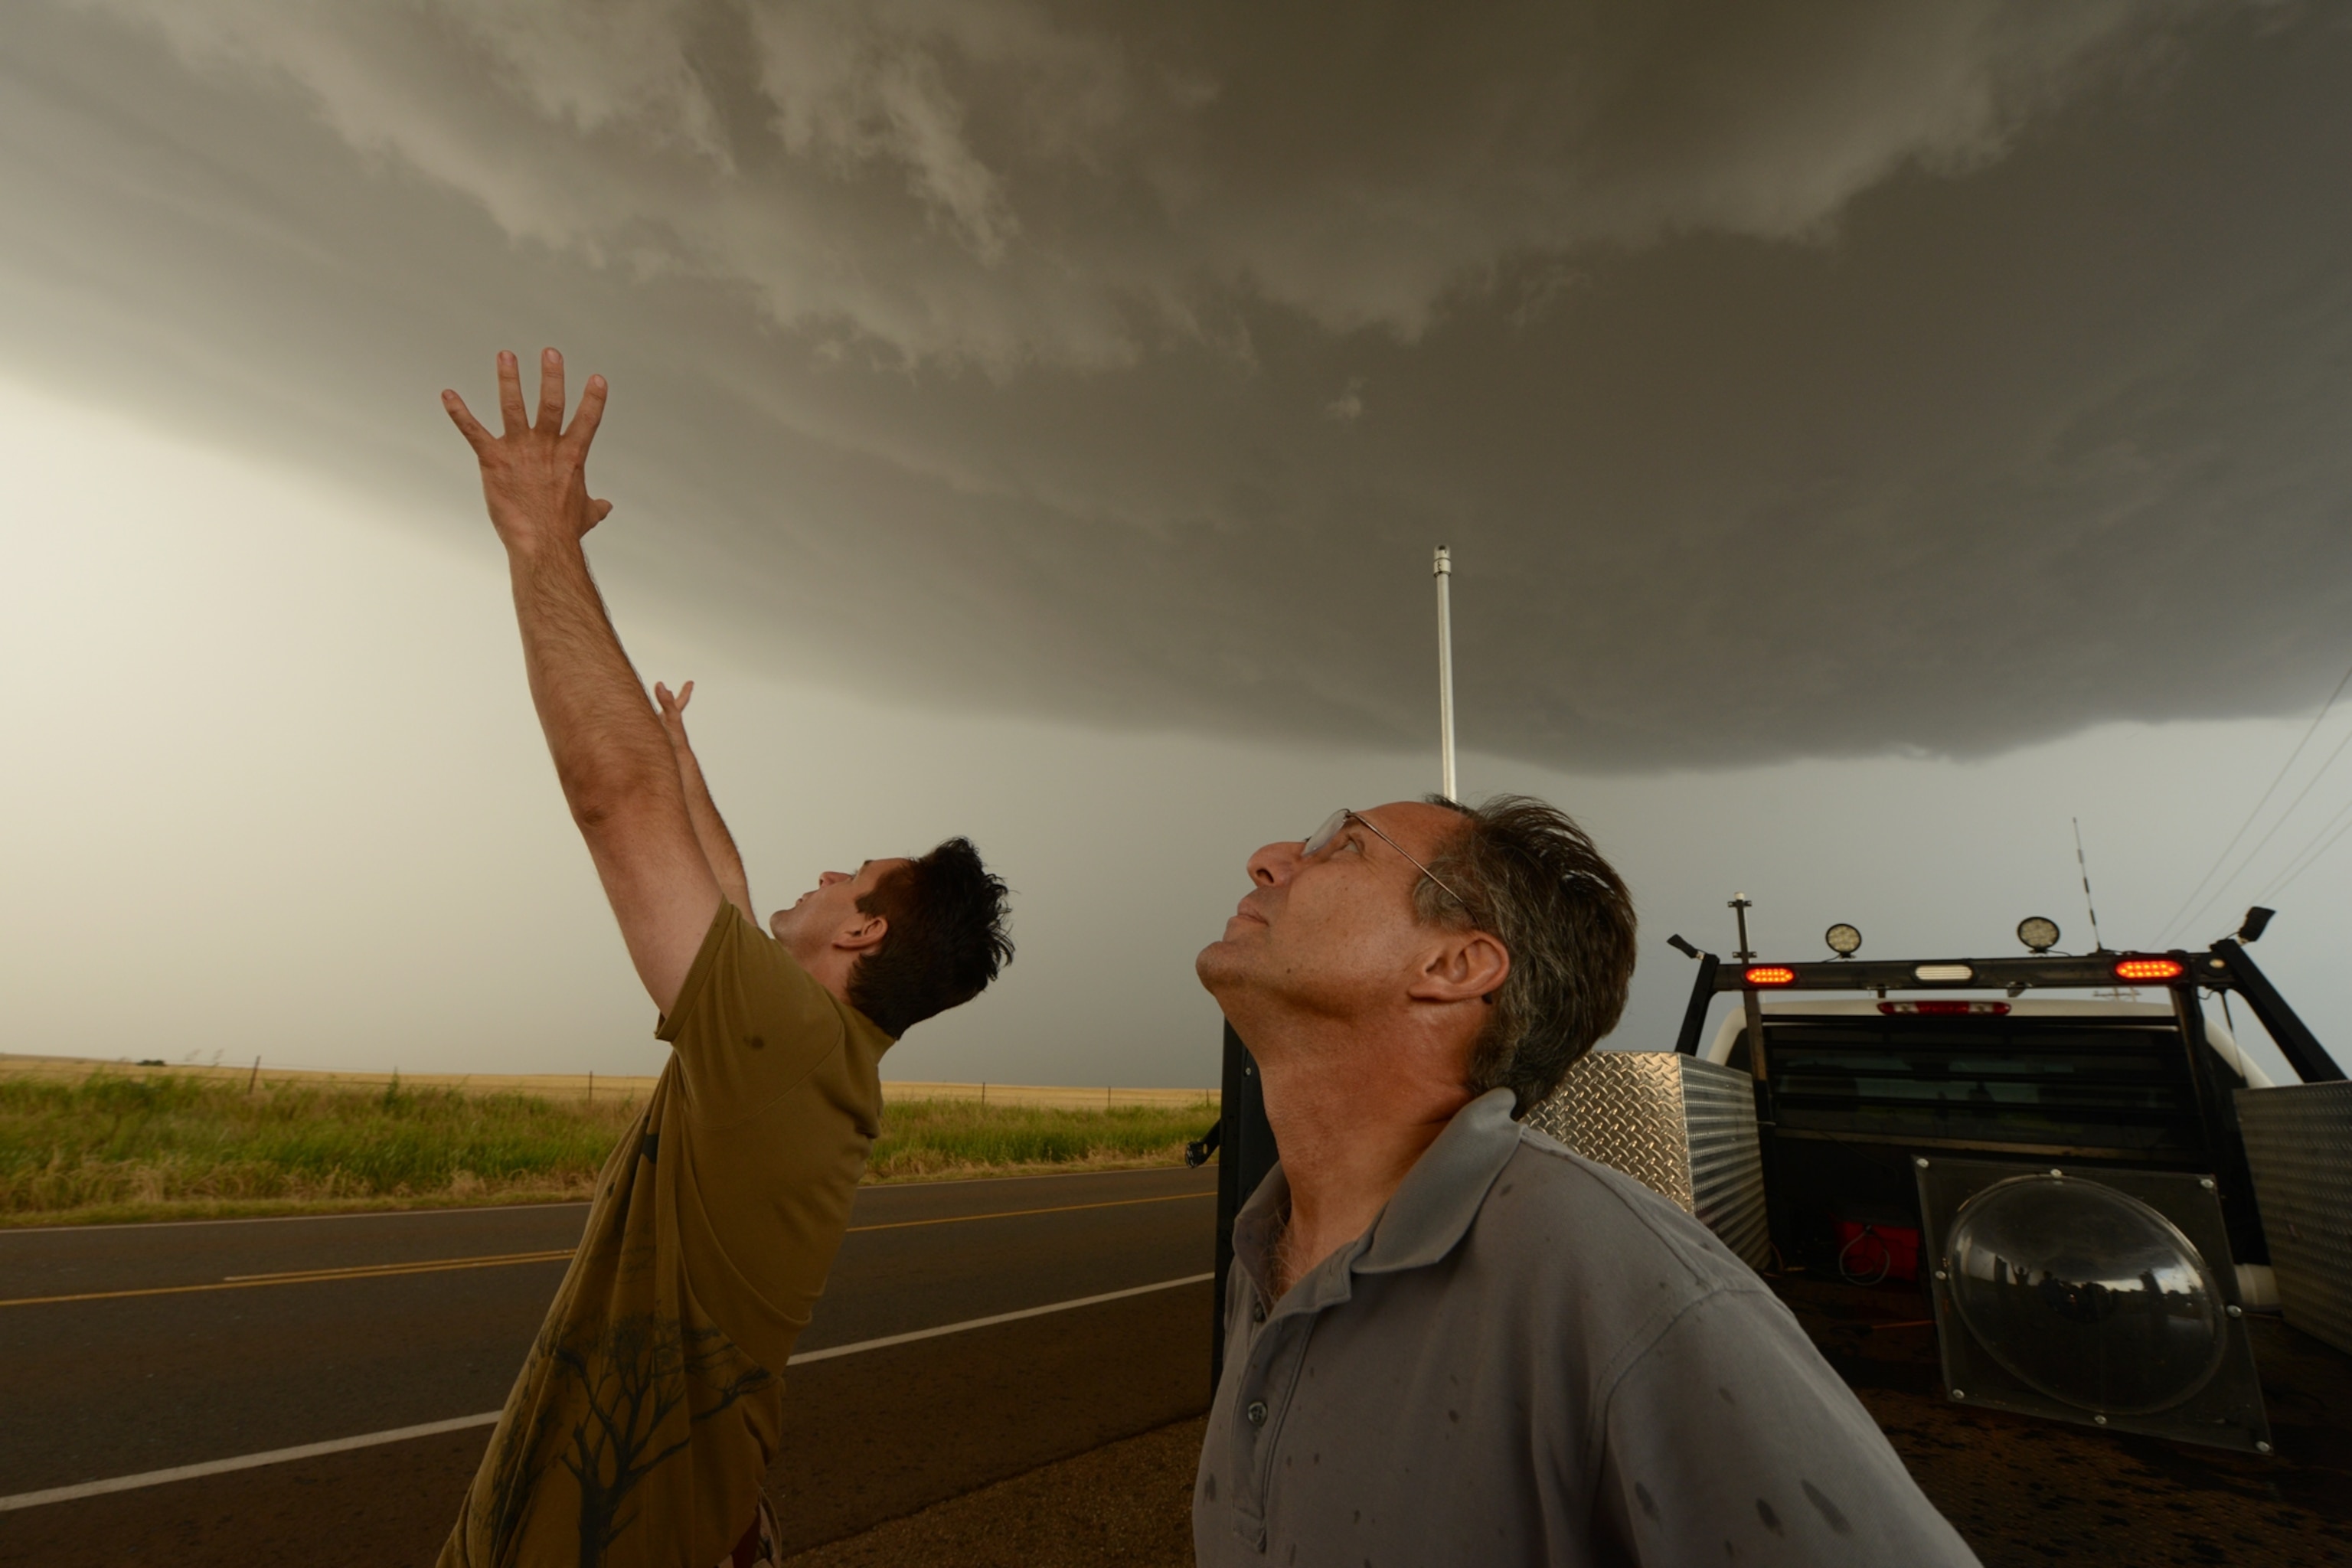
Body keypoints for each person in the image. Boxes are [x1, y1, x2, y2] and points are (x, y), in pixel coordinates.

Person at [435, 349, 1013, 1568]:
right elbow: (729, 890)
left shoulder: (785, 1046)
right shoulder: (807, 1057)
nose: (819, 875)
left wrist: (543, 543)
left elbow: (616, 805)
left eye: (847, 879)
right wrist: (677, 747)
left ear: (861, 934)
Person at [1191, 799, 1979, 1566]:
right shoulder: (1266, 1252)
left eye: (1344, 845)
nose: (1269, 856)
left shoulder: (1636, 1290)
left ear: (1454, 964)